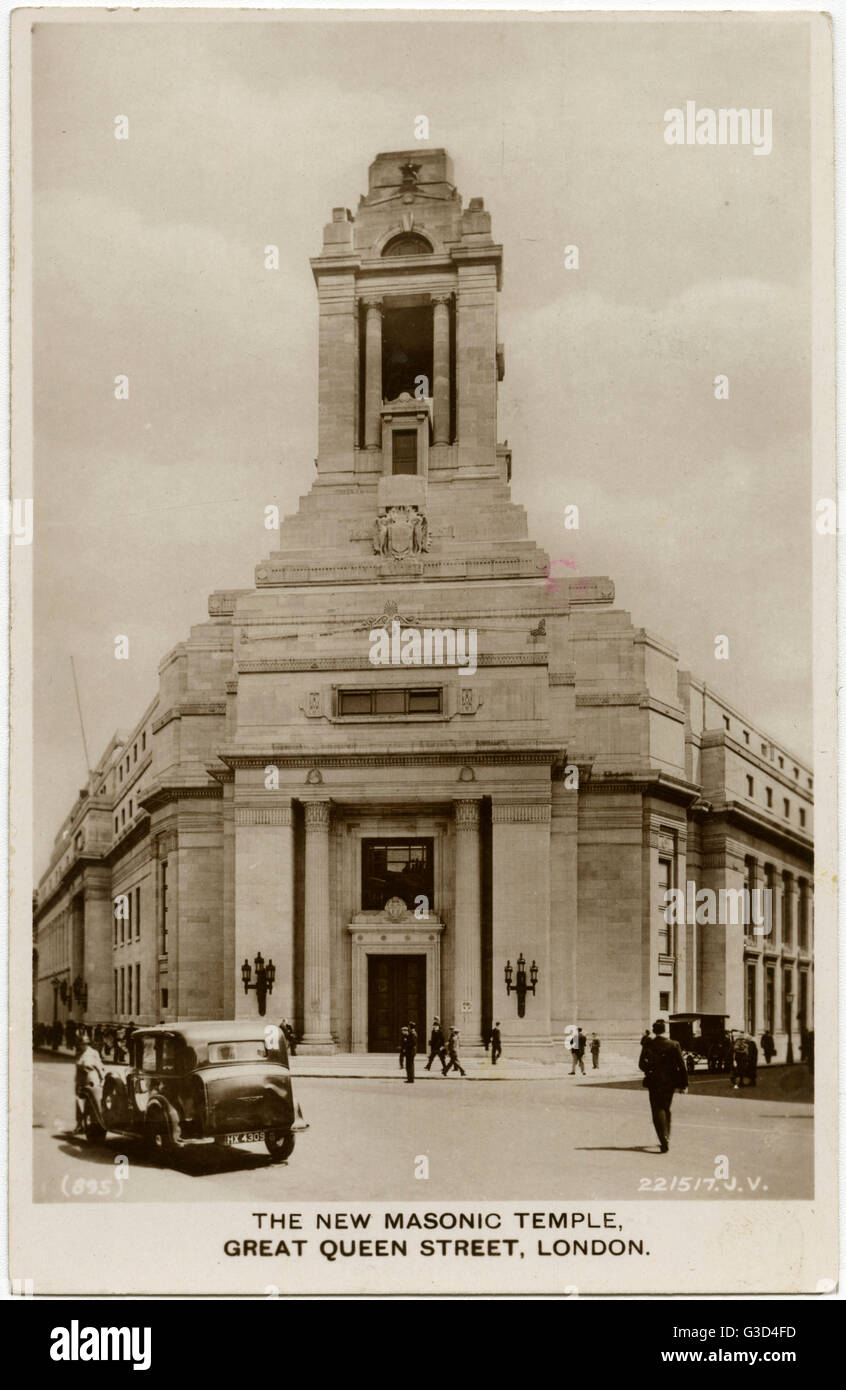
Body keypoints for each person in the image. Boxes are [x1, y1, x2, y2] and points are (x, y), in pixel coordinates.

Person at [638, 1018, 688, 1153]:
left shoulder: (649, 1044)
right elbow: (682, 1066)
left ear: (654, 1031)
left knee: (657, 1109)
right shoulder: (674, 1044)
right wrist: (684, 1084)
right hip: (670, 1082)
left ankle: (663, 1139)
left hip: (654, 1081)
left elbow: (642, 1064)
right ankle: (667, 1136)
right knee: (666, 1108)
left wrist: (650, 1070)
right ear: (665, 1030)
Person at [74, 1028, 105, 1134]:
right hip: (80, 1081)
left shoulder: (92, 1053)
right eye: (81, 1044)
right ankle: (79, 1124)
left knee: (90, 1104)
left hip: (90, 1080)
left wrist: (101, 1078)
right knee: (79, 1102)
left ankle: (91, 1125)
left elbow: (98, 1066)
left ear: (87, 1044)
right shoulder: (79, 1053)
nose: (82, 1046)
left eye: (83, 1044)